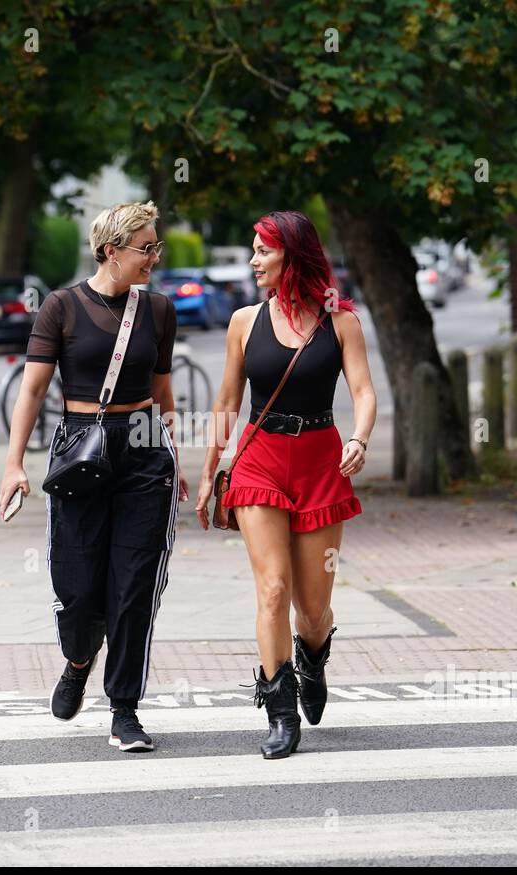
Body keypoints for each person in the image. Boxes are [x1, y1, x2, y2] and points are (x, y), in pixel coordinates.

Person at [0, 200, 187, 753]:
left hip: (144, 450)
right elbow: (33, 390)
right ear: (111, 250)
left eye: (156, 246)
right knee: (77, 585)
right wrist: (14, 464)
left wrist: (174, 457)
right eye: (146, 247)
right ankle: (79, 659)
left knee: (135, 587)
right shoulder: (61, 307)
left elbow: (163, 392)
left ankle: (124, 709)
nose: (155, 257)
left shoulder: (159, 310)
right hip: (81, 447)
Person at [195, 211, 377, 758]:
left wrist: (360, 438)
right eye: (253, 250)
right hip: (260, 462)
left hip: (321, 463)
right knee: (273, 589)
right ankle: (279, 707)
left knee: (313, 609)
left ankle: (312, 658)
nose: (253, 261)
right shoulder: (243, 322)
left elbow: (364, 392)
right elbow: (227, 401)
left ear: (292, 256)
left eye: (262, 251)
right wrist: (208, 472)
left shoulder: (340, 322)